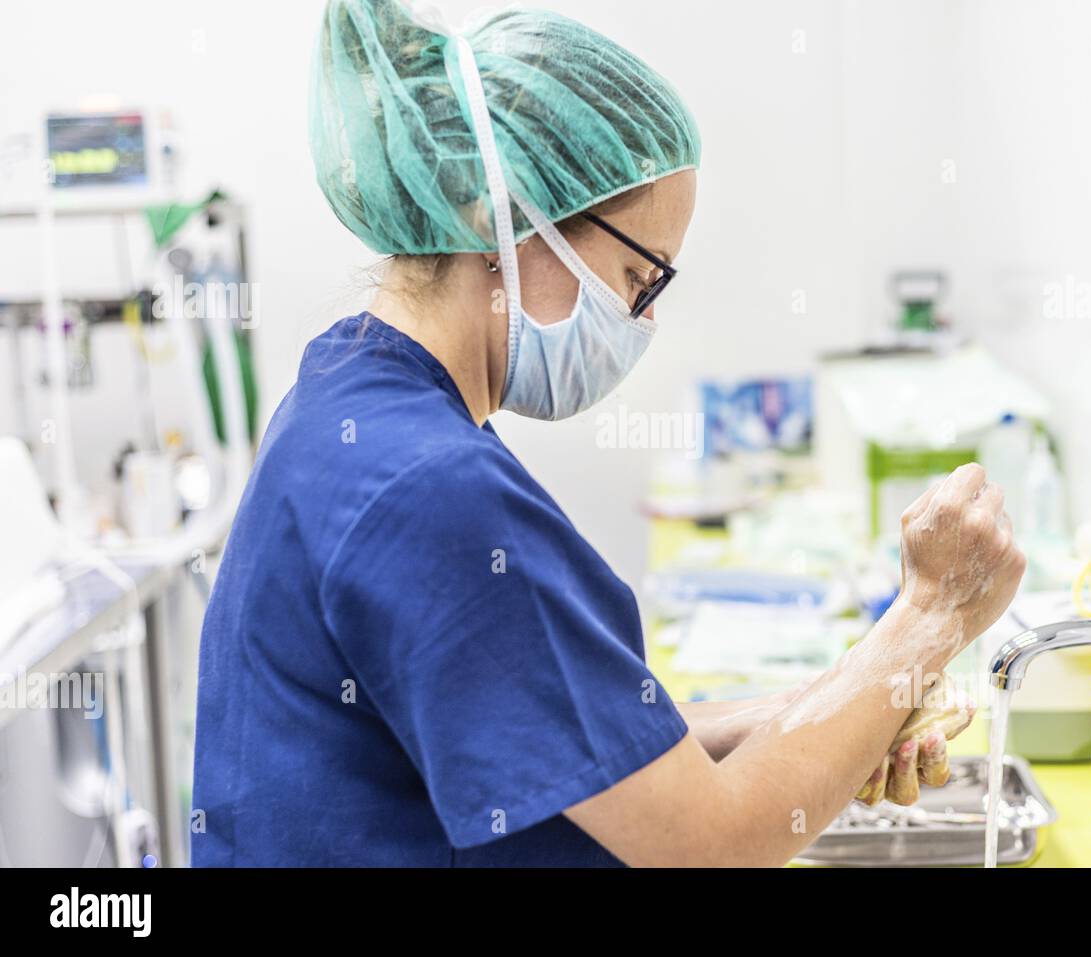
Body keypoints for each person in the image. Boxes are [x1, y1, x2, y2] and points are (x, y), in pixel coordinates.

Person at [190, 0, 1025, 867]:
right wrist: (931, 614)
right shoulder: (425, 486)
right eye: (639, 277)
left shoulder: (352, 394)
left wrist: (838, 710)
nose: (645, 320)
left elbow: (601, 746)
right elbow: (711, 841)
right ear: (500, 214)